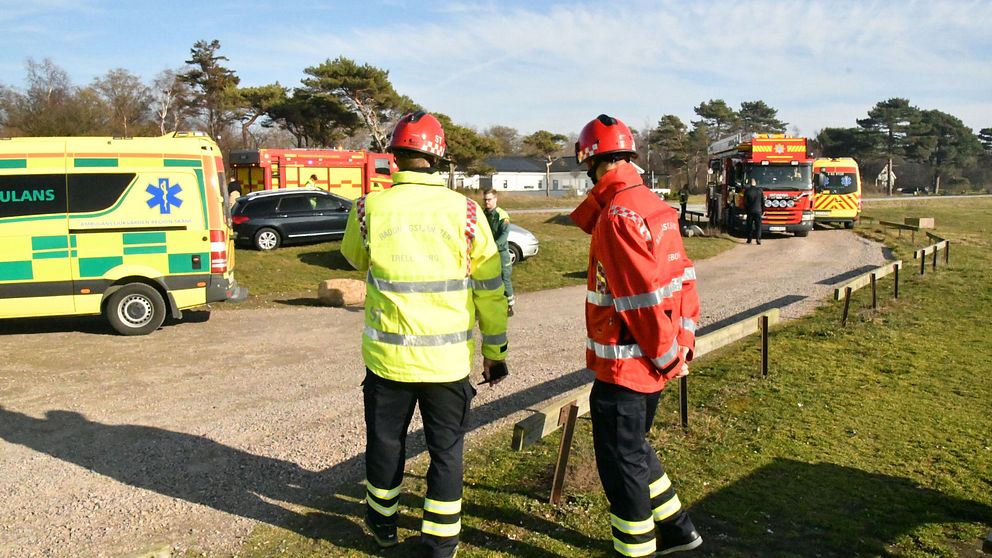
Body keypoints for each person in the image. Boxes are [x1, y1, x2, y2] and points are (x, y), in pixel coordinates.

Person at [340, 111, 509, 558]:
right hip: (448, 366)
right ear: (438, 159)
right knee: (446, 452)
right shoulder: (469, 213)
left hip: (386, 363)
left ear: (394, 156)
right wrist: (495, 351)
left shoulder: (367, 207)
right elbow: (490, 291)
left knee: (385, 445)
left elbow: (356, 260)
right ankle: (440, 543)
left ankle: (382, 525)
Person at [569, 114, 703, 557]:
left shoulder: (618, 217)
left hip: (625, 370)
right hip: (653, 364)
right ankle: (680, 530)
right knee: (636, 450)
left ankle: (636, 550)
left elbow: (640, 299)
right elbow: (684, 281)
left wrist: (666, 356)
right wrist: (680, 347)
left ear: (590, 163)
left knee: (621, 465)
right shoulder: (655, 207)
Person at [482, 189, 515, 316]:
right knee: (488, 278)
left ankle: (509, 305)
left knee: (504, 278)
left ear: (495, 199)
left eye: (489, 199)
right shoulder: (482, 214)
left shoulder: (502, 215)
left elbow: (504, 235)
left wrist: (493, 247)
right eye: (485, 199)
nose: (486, 202)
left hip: (500, 252)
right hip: (486, 252)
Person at [743, 178, 764, 245]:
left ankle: (749, 239)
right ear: (756, 183)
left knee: (749, 226)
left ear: (750, 184)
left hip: (750, 211)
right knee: (758, 226)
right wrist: (763, 210)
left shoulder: (747, 191)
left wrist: (746, 210)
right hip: (758, 211)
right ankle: (758, 239)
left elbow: (745, 202)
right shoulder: (760, 191)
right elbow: (762, 202)